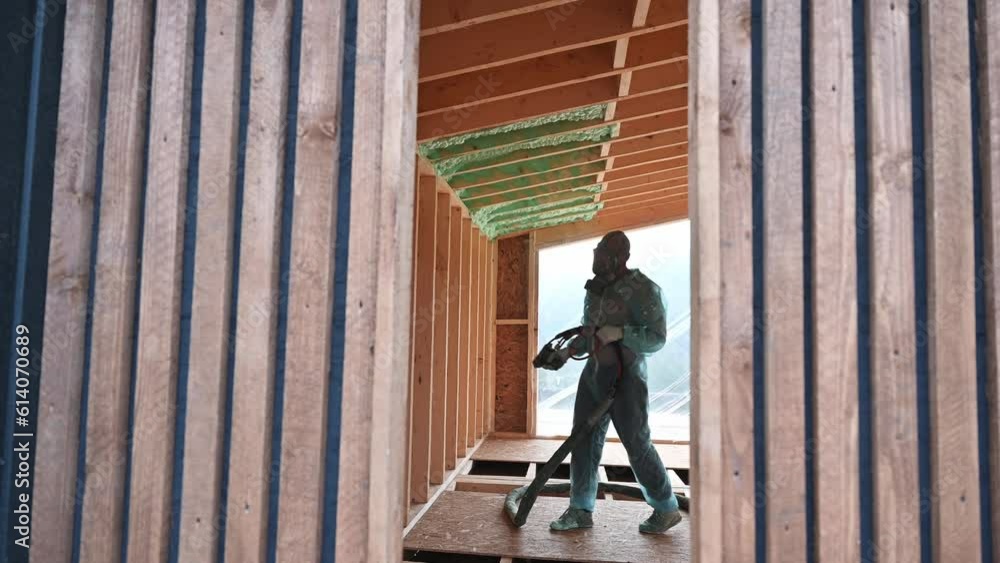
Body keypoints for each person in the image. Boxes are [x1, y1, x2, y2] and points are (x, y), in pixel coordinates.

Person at [549, 230, 681, 534]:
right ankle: (581, 509)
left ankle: (666, 507)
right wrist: (567, 351)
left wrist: (622, 334)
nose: (595, 258)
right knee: (582, 441)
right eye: (596, 251)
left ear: (619, 257)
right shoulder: (595, 288)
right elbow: (589, 332)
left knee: (637, 444)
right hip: (595, 377)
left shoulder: (644, 290)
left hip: (628, 381)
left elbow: (657, 338)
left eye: (602, 253)